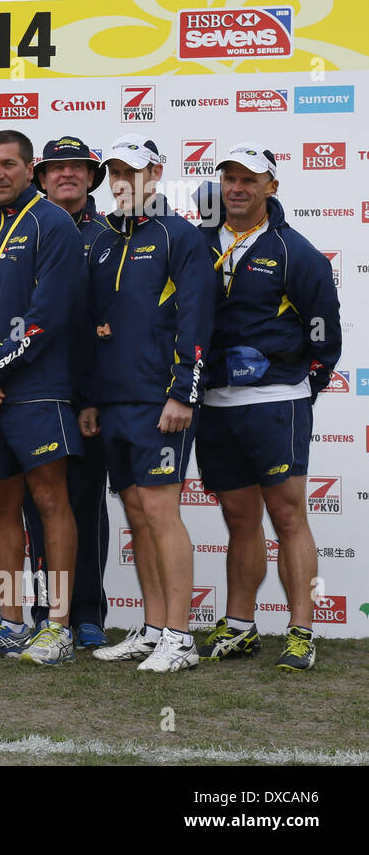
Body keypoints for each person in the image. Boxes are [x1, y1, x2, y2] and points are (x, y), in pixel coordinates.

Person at [193, 143, 341, 672]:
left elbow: (325, 337)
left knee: (287, 514)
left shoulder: (295, 251)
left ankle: (301, 631)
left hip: (276, 401)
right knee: (239, 516)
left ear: (271, 187)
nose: (237, 187)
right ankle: (240, 627)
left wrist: (295, 387)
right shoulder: (198, 242)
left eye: (250, 179)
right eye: (229, 177)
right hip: (213, 400)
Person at [0, 130, 85, 665]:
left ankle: (58, 626)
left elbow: (46, 316)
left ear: (31, 170)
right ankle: (8, 621)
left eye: (8, 164)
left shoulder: (52, 224)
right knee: (0, 505)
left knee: (50, 502)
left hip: (36, 390)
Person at [83, 135, 215, 673]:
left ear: (156, 173)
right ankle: (155, 626)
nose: (121, 181)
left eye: (132, 171)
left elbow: (198, 318)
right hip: (114, 401)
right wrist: (91, 398)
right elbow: (95, 326)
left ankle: (180, 637)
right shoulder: (103, 239)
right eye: (114, 171)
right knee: (136, 514)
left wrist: (185, 391)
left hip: (161, 399)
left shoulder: (179, 235)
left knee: (161, 513)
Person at [22, 136, 113, 648]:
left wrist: (95, 396)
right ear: (40, 177)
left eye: (78, 167)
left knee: (84, 503)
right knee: (40, 504)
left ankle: (86, 613)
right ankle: (45, 610)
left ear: (91, 177)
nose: (67, 175)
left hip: (89, 394)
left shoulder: (109, 234)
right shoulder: (24, 228)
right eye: (56, 168)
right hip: (34, 389)